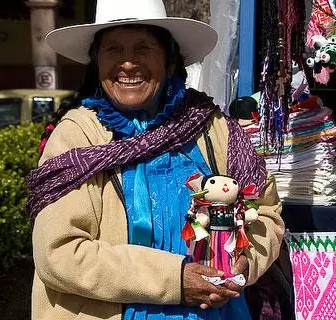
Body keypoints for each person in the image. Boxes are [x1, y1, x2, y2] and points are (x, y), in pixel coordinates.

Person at [27, 0, 284, 319]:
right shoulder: (76, 137)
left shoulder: (214, 129)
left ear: (170, 60)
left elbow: (266, 212)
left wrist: (246, 259)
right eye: (114, 50)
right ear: (97, 62)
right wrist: (175, 280)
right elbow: (60, 254)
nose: (128, 63)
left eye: (143, 48)